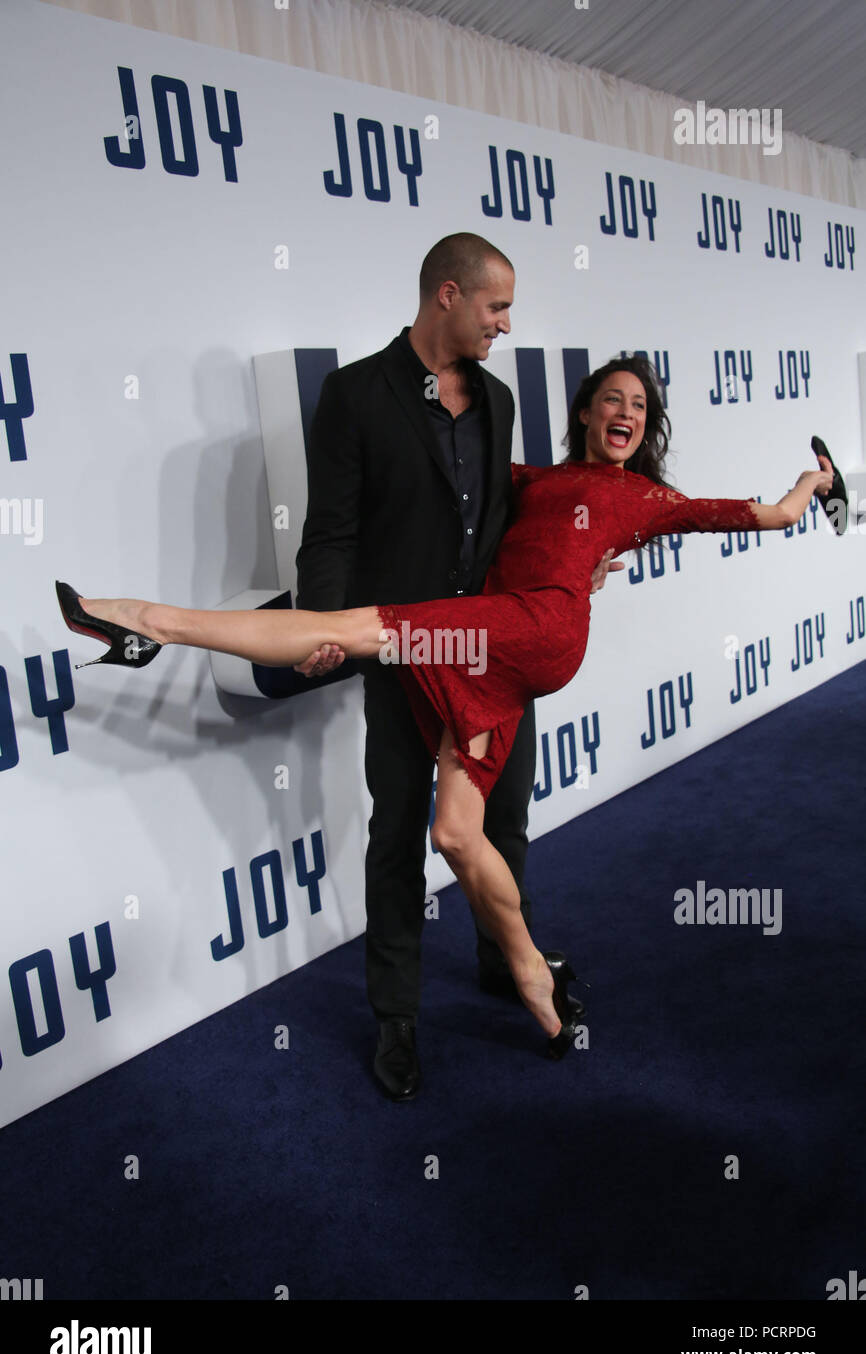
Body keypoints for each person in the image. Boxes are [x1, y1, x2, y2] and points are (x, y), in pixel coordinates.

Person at [54, 356, 834, 1067]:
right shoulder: (531, 478)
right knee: (455, 832)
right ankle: (533, 980)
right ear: (587, 415)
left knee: (357, 626)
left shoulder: (645, 496)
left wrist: (815, 484)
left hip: (533, 634)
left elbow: (762, 515)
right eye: (610, 400)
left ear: (647, 427)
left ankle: (147, 623)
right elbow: (465, 507)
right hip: (485, 658)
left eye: (638, 404)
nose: (624, 412)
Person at [289, 233, 605, 1098]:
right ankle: (397, 1016)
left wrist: (574, 562)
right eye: (496, 307)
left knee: (503, 821)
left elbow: (511, 518)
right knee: (397, 836)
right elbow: (333, 533)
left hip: (493, 653)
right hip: (405, 656)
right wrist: (325, 627)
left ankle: (507, 961)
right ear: (447, 297)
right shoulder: (354, 395)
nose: (507, 323)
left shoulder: (497, 398)